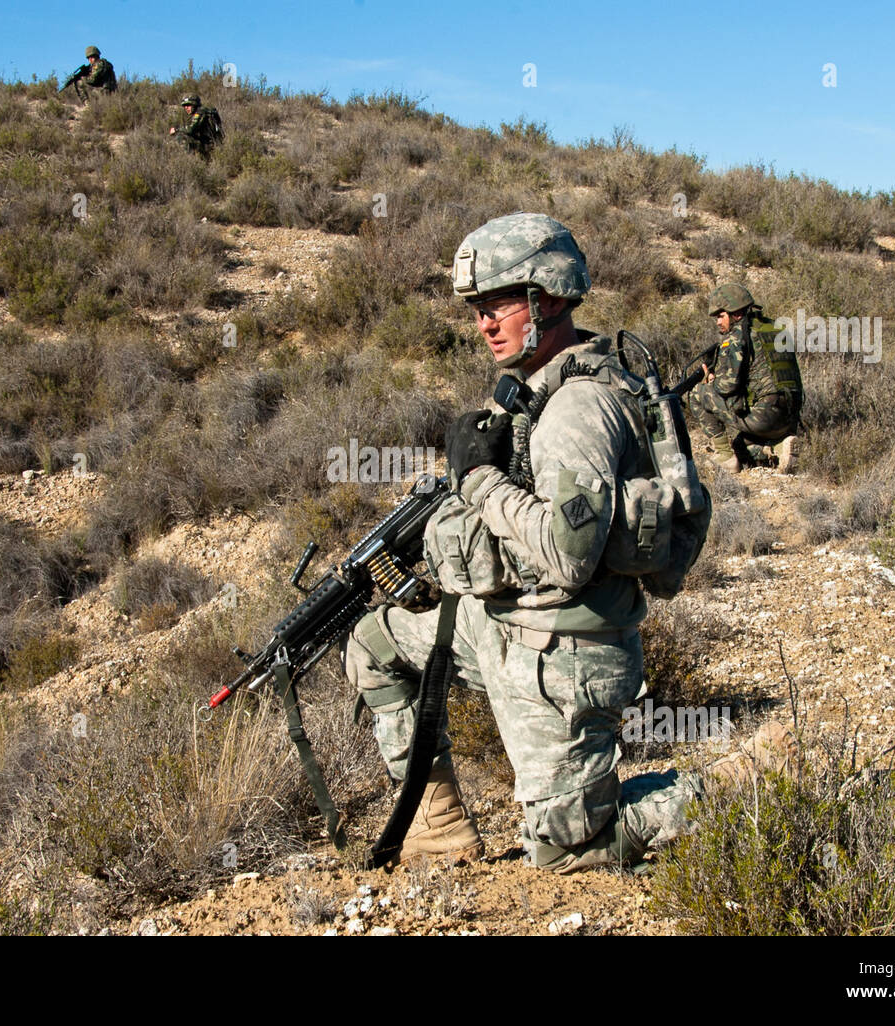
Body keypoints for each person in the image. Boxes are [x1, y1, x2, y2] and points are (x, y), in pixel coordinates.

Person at [343, 213, 716, 873]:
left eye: (503, 304)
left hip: (566, 656)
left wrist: (481, 480)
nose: (487, 323)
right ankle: (439, 834)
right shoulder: (535, 395)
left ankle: (725, 803)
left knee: (570, 850)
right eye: (479, 308)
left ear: (549, 298)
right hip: (509, 628)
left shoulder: (577, 409)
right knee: (374, 644)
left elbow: (568, 555)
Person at [688, 284, 802, 473]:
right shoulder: (773, 328)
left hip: (764, 417)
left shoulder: (736, 337)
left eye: (721, 316)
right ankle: (779, 447)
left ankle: (724, 457)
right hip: (790, 416)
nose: (717, 322)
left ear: (737, 314)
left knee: (698, 394)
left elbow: (726, 387)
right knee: (740, 446)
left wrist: (711, 380)